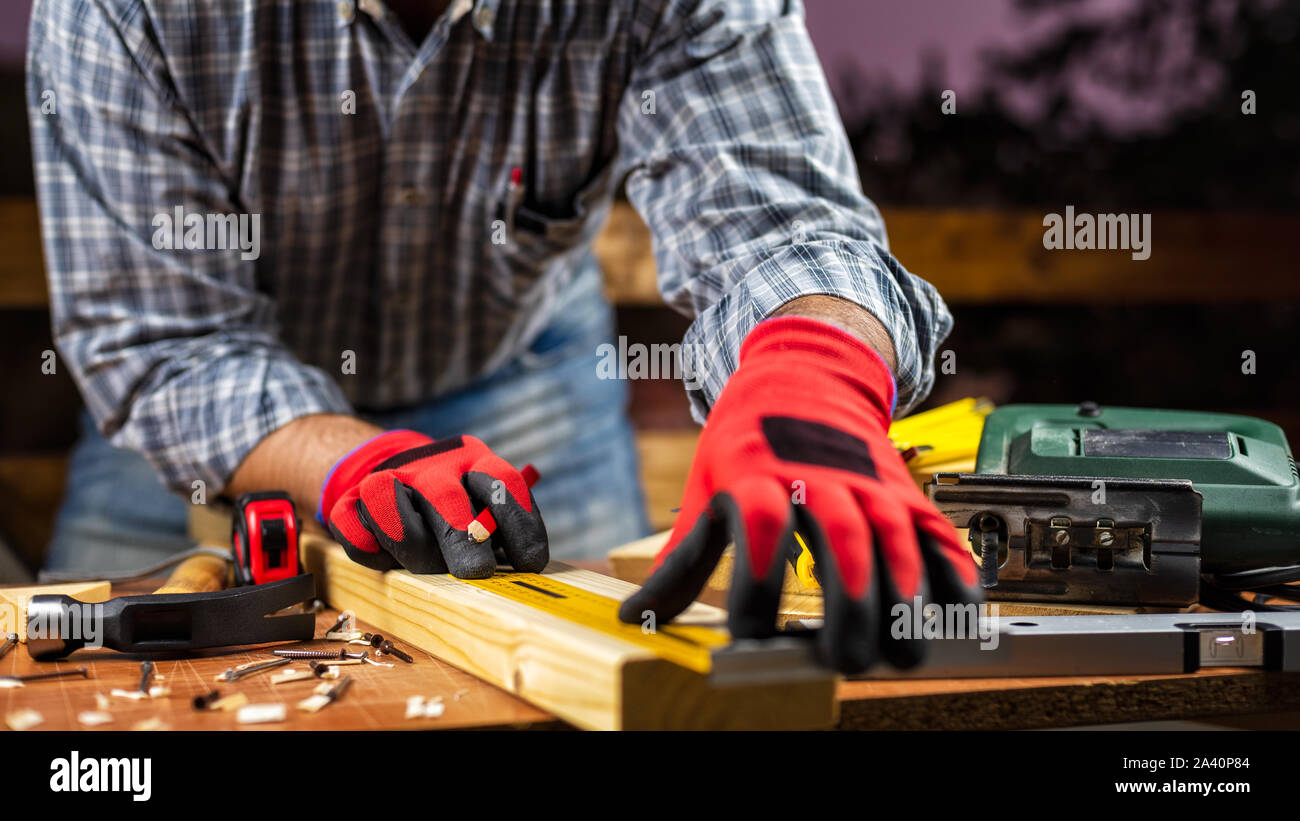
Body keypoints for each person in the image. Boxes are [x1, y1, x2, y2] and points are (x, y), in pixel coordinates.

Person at [29, 0, 978, 672]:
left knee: (625, 665)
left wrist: (809, 370)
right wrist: (342, 458)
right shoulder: (128, 8)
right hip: (201, 405)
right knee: (80, 670)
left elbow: (780, 226)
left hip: (523, 372)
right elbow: (163, 340)